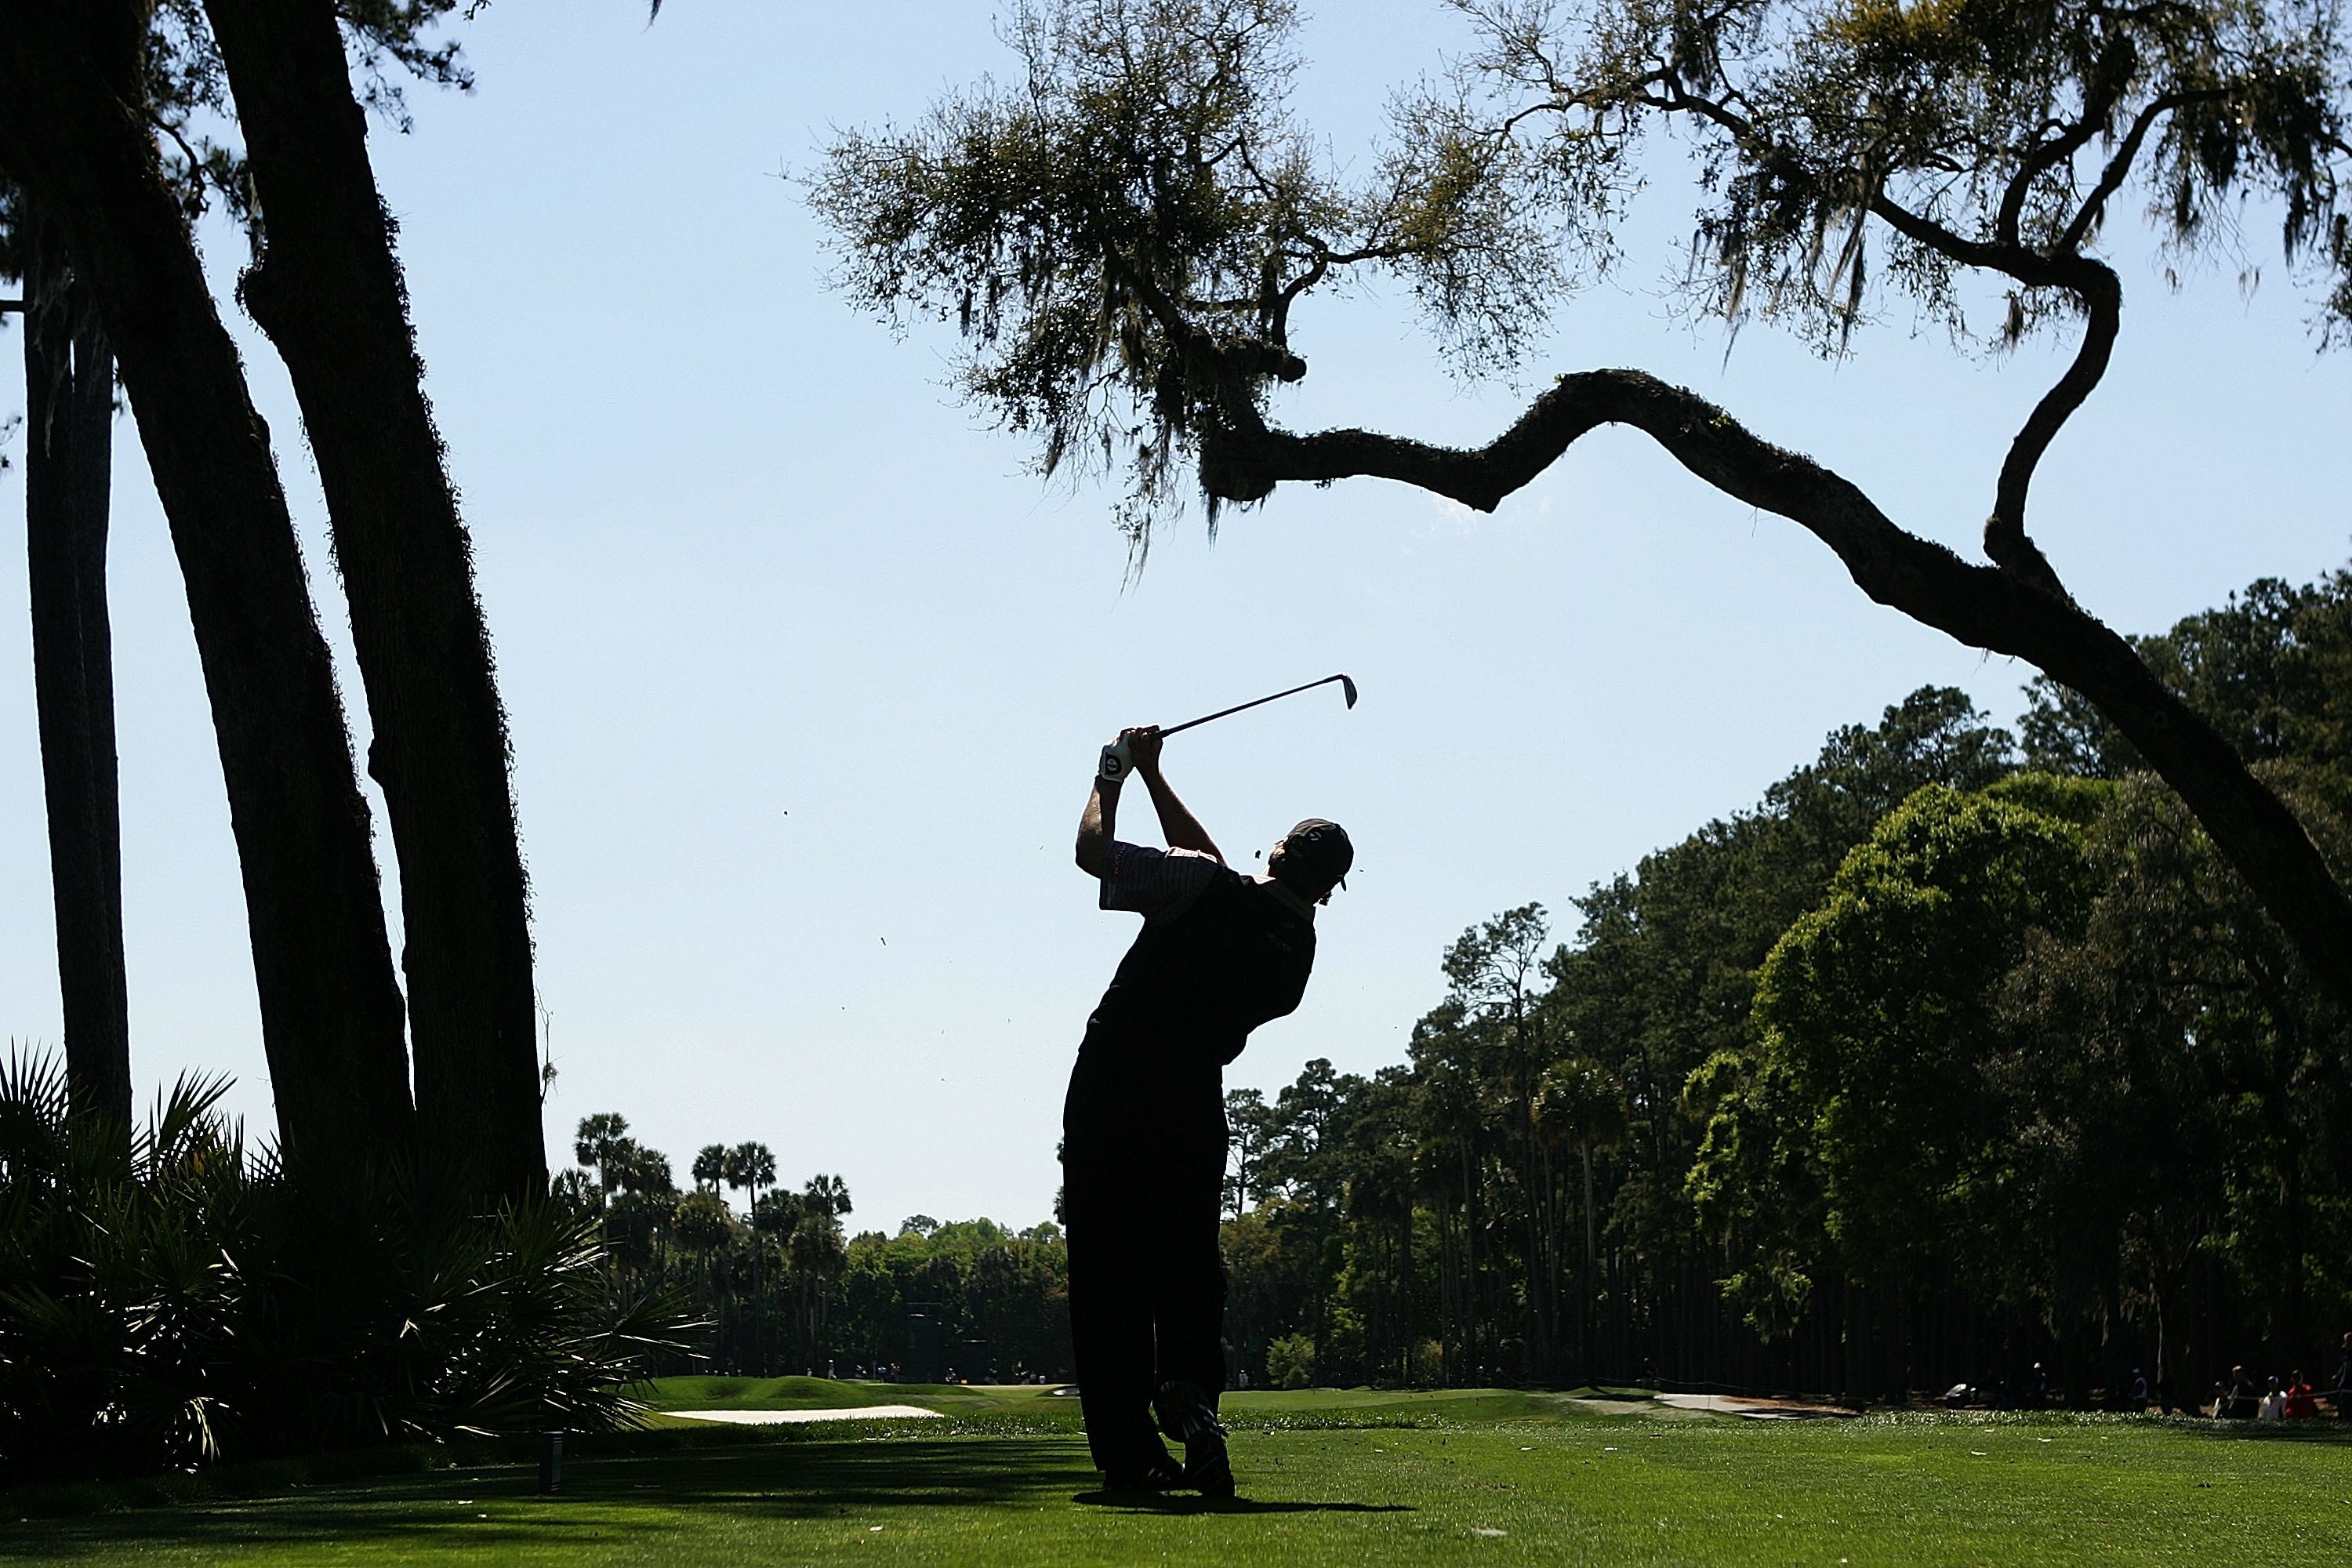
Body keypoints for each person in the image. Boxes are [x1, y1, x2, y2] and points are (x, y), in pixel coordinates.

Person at [1063, 724, 1352, 1497]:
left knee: (1109, 1269)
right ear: (1326, 888)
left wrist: (1113, 773)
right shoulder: (1294, 958)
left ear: (1277, 853)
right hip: (1193, 1101)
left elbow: (1096, 852)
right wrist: (1161, 776)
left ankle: (1131, 1452)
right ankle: (1190, 1392)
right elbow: (1216, 876)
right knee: (1188, 1263)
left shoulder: (1197, 884)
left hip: (1114, 1083)